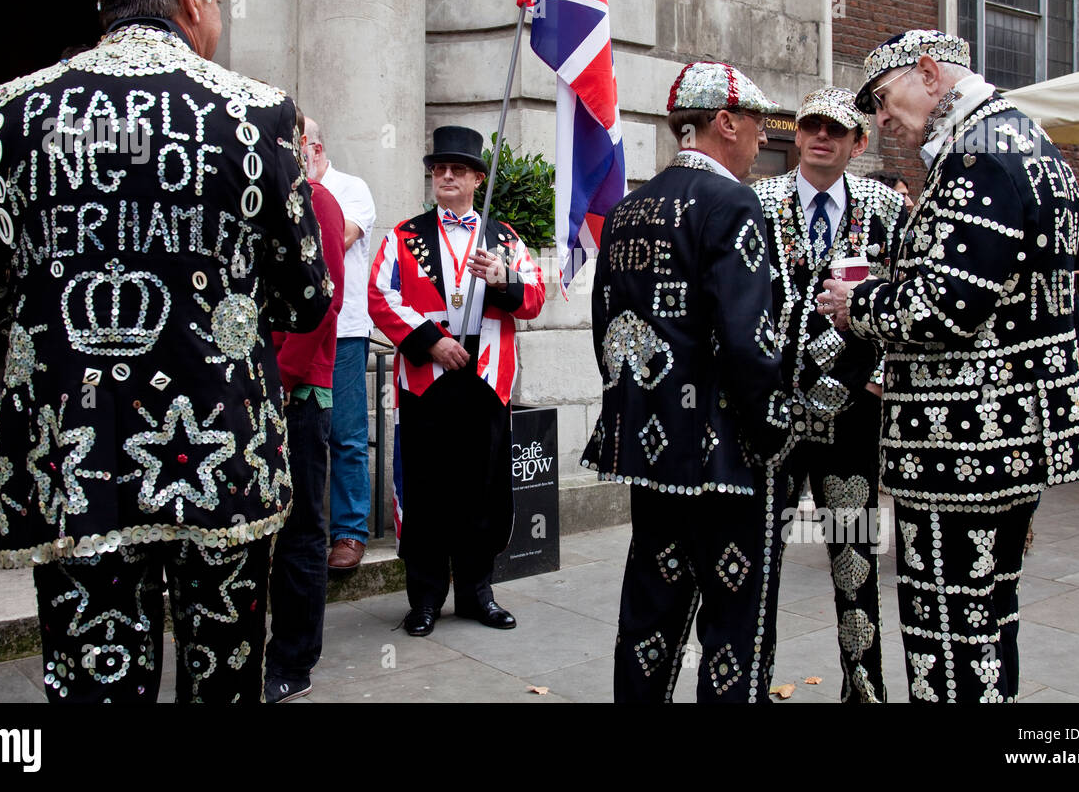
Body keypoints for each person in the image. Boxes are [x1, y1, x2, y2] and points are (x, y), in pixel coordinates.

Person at [0, 0, 330, 703]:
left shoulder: (5, 115)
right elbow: (307, 293)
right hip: (223, 448)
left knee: (93, 680)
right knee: (222, 679)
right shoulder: (255, 113)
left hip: (72, 450)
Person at [818, 29, 1079, 702]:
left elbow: (948, 306)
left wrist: (860, 304)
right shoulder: (1029, 142)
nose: (880, 120)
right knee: (987, 621)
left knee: (945, 629)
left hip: (962, 440)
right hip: (1005, 437)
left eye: (884, 100)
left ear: (929, 72)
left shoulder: (981, 155)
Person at [582, 62, 788, 703]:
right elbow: (748, 340)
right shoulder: (733, 203)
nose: (760, 140)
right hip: (726, 454)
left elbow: (606, 331)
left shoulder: (626, 210)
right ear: (725, 123)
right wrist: (773, 427)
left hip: (651, 451)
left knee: (652, 605)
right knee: (734, 623)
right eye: (756, 125)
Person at [753, 87, 905, 703]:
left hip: (853, 415)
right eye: (812, 128)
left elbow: (908, 294)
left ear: (857, 143)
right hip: (775, 414)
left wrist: (885, 372)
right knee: (761, 562)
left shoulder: (883, 208)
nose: (821, 138)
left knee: (854, 557)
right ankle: (751, 682)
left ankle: (862, 685)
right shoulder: (759, 201)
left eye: (836, 132)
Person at [369, 126, 545, 636]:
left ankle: (476, 594)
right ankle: (424, 599)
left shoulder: (505, 238)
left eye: (458, 169)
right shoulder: (404, 235)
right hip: (429, 378)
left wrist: (503, 280)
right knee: (427, 490)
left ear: (477, 179)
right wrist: (431, 341)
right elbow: (380, 296)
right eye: (439, 169)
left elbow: (533, 298)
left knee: (482, 490)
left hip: (487, 381)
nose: (446, 176)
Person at [265, 114, 346, 702]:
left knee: (300, 532)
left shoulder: (321, 203)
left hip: (295, 393)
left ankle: (293, 660)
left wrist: (277, 377)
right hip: (252, 390)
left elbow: (322, 306)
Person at [304, 117, 378, 573]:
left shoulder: (351, 189)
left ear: (317, 147)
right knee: (299, 433)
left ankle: (350, 531)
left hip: (345, 330)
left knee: (346, 435)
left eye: (299, 147)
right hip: (298, 330)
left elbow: (333, 237)